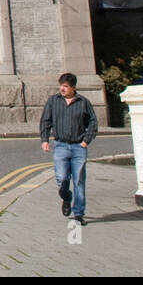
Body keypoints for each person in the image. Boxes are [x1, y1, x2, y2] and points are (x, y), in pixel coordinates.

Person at [40, 72, 98, 225]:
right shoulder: (53, 101)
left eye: (66, 86)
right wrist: (44, 140)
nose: (62, 89)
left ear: (73, 87)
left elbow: (93, 123)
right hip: (60, 145)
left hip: (79, 147)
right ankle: (66, 197)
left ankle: (79, 214)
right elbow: (45, 121)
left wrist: (86, 141)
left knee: (79, 180)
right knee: (62, 178)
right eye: (61, 85)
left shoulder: (83, 102)